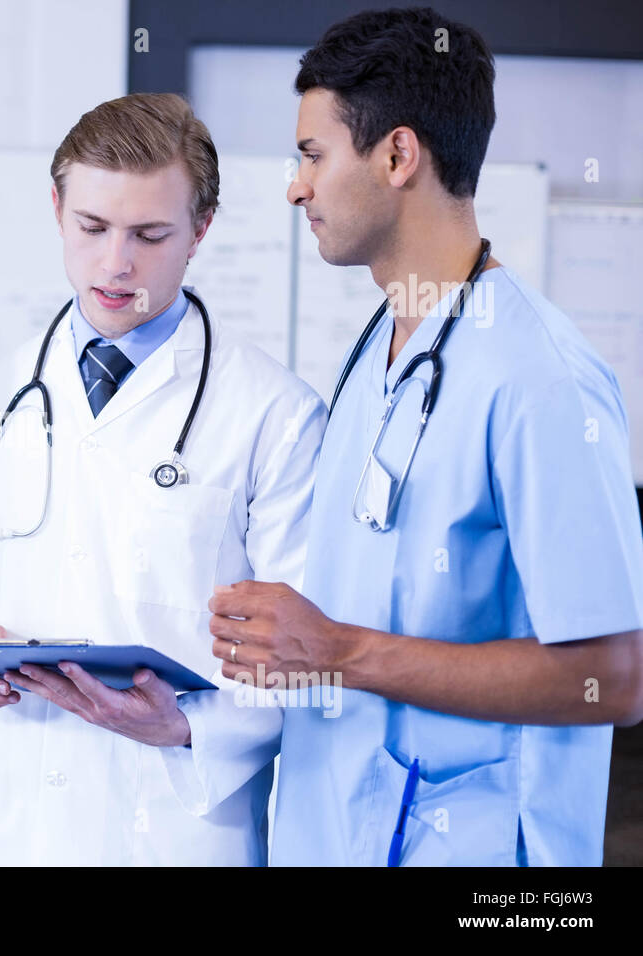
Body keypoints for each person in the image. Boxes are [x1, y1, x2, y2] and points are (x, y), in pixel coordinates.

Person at [209, 7, 643, 866]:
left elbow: (613, 676)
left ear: (398, 155)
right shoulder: (381, 346)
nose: (296, 186)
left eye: (312, 154)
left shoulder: (540, 378)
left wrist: (340, 652)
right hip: (334, 831)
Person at [0, 93, 326, 865]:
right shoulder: (6, 385)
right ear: (56, 209)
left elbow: (309, 652)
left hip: (171, 822)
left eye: (150, 234)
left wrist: (188, 726)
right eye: (92, 228)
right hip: (11, 815)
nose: (116, 263)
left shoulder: (274, 415)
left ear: (201, 230)